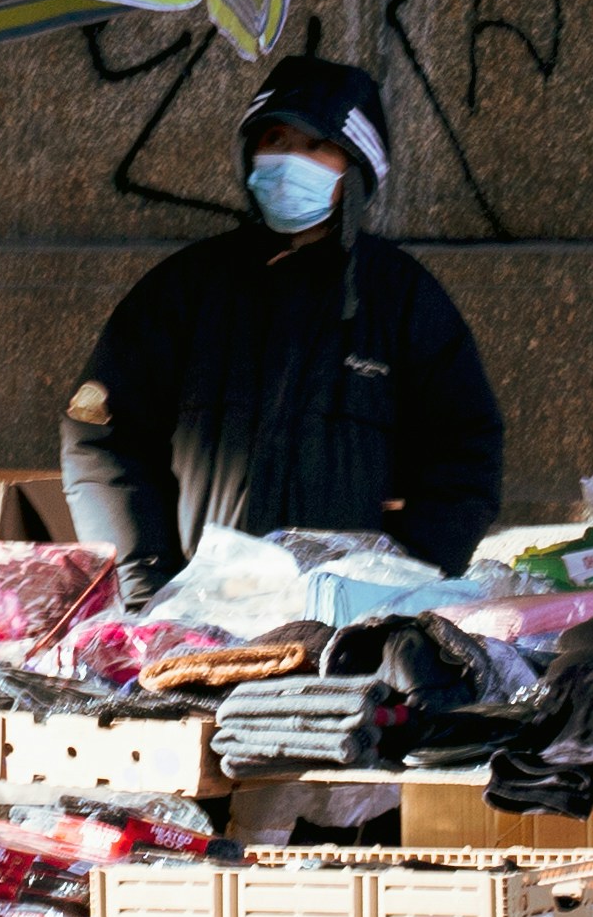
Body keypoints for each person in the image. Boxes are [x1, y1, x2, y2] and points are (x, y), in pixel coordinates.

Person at [58, 56, 505, 585]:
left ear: (355, 169)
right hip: (193, 613)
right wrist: (145, 581)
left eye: (317, 146)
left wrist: (398, 583)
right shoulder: (183, 290)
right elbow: (99, 439)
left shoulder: (404, 300)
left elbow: (466, 457)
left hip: (347, 627)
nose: (290, 160)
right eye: (275, 139)